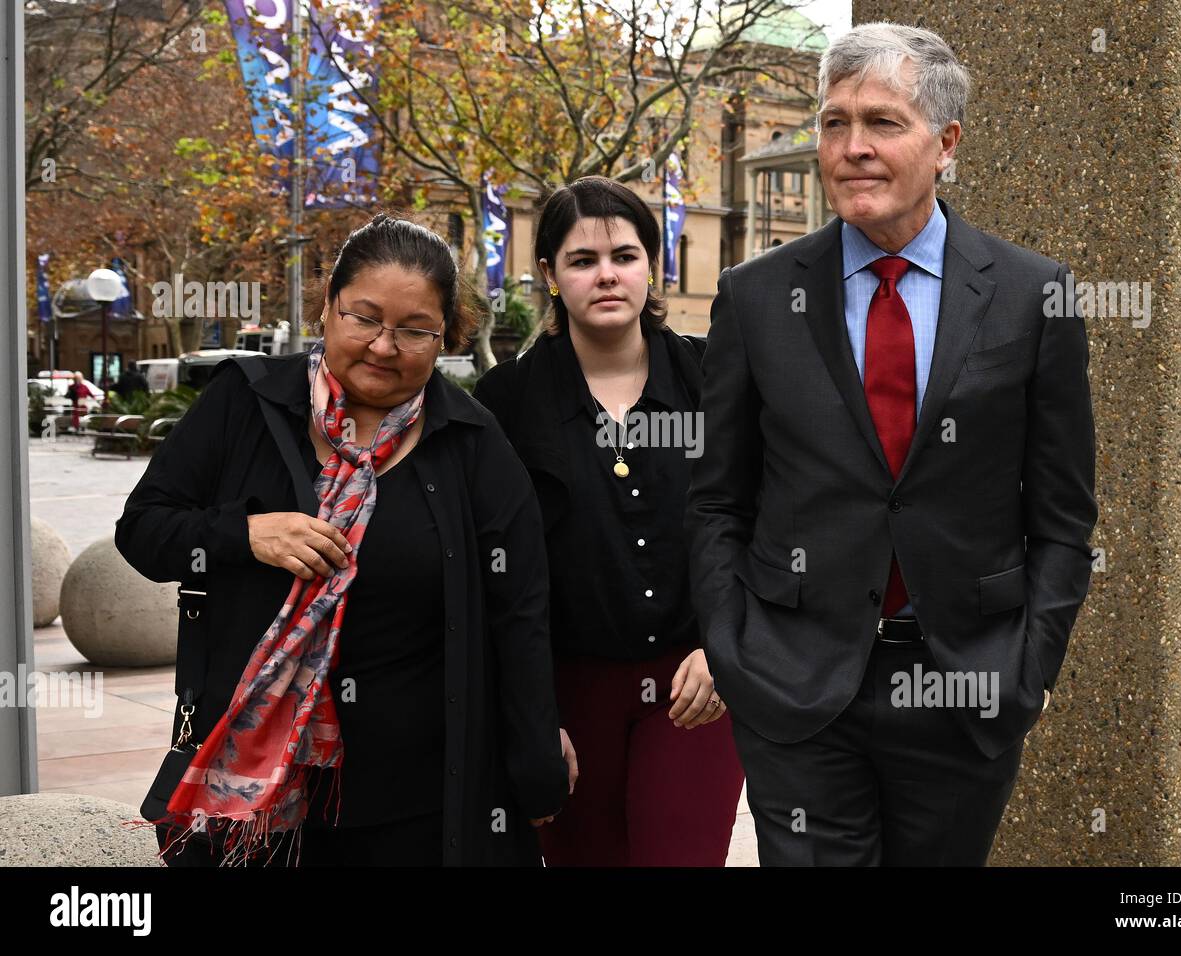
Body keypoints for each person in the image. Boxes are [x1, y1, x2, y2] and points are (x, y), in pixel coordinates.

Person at [687, 23, 1098, 866]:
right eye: (834, 123)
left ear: (945, 143)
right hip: (795, 689)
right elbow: (717, 499)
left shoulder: (1032, 296)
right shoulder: (756, 298)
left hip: (964, 689)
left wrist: (1026, 674)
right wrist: (736, 649)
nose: (852, 147)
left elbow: (1062, 516)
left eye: (882, 123)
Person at [116, 213, 570, 866]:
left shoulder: (472, 443)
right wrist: (246, 534)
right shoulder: (245, 403)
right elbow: (143, 531)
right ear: (328, 310)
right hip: (259, 800)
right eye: (364, 318)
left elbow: (520, 610)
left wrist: (535, 761)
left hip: (419, 798)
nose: (384, 346)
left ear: (445, 339)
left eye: (414, 330)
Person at [474, 176, 745, 866]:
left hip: (695, 684)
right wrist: (531, 716)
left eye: (624, 256)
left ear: (652, 264)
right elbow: (489, 568)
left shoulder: (713, 378)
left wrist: (727, 643)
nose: (606, 276)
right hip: (568, 691)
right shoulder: (508, 400)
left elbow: (763, 518)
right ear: (550, 275)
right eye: (582, 260)